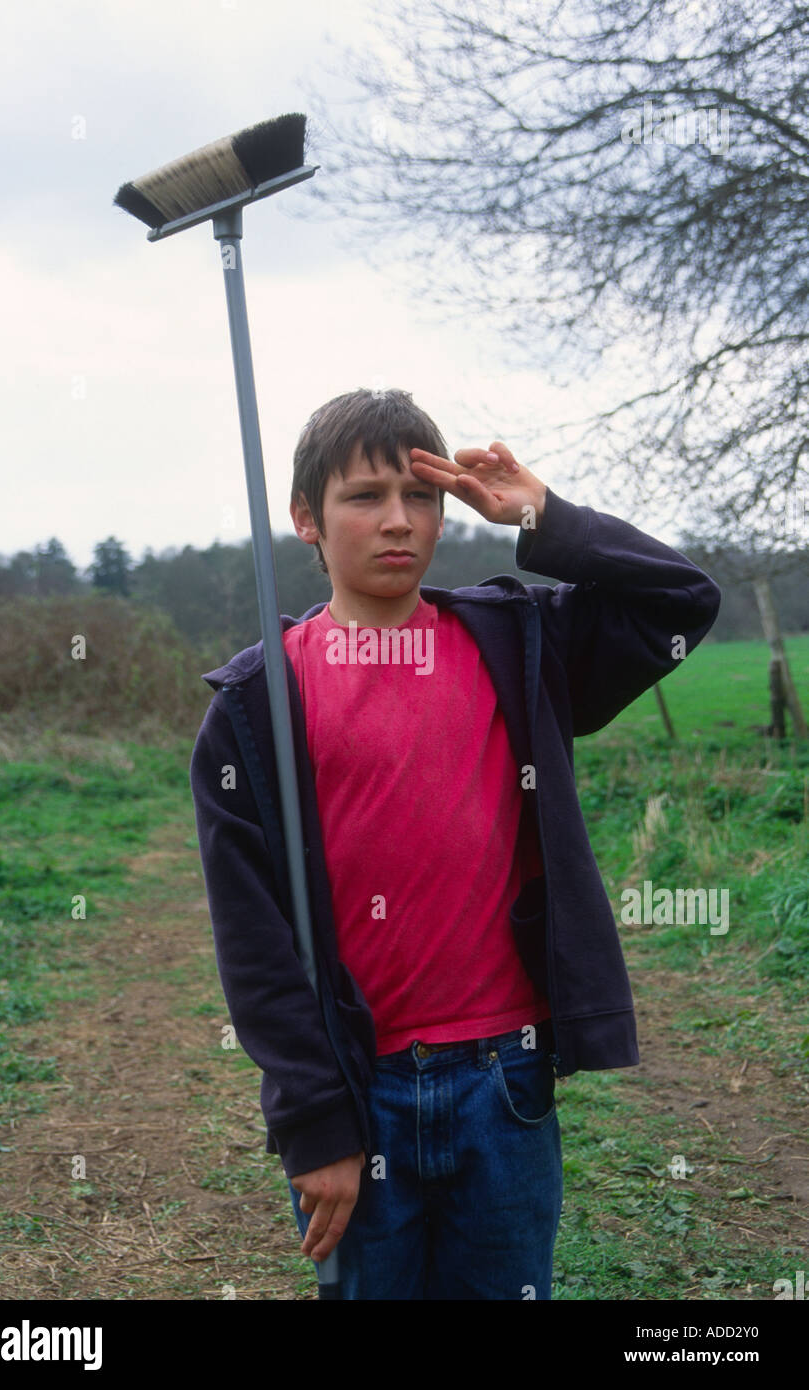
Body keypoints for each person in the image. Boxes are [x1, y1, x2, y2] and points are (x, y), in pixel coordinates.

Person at [189, 387, 721, 1300]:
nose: (399, 521)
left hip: (504, 1085)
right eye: (365, 496)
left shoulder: (517, 646)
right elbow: (255, 946)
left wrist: (544, 517)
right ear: (306, 518)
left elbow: (680, 599)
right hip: (362, 1098)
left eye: (422, 496)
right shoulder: (255, 708)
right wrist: (316, 1124)